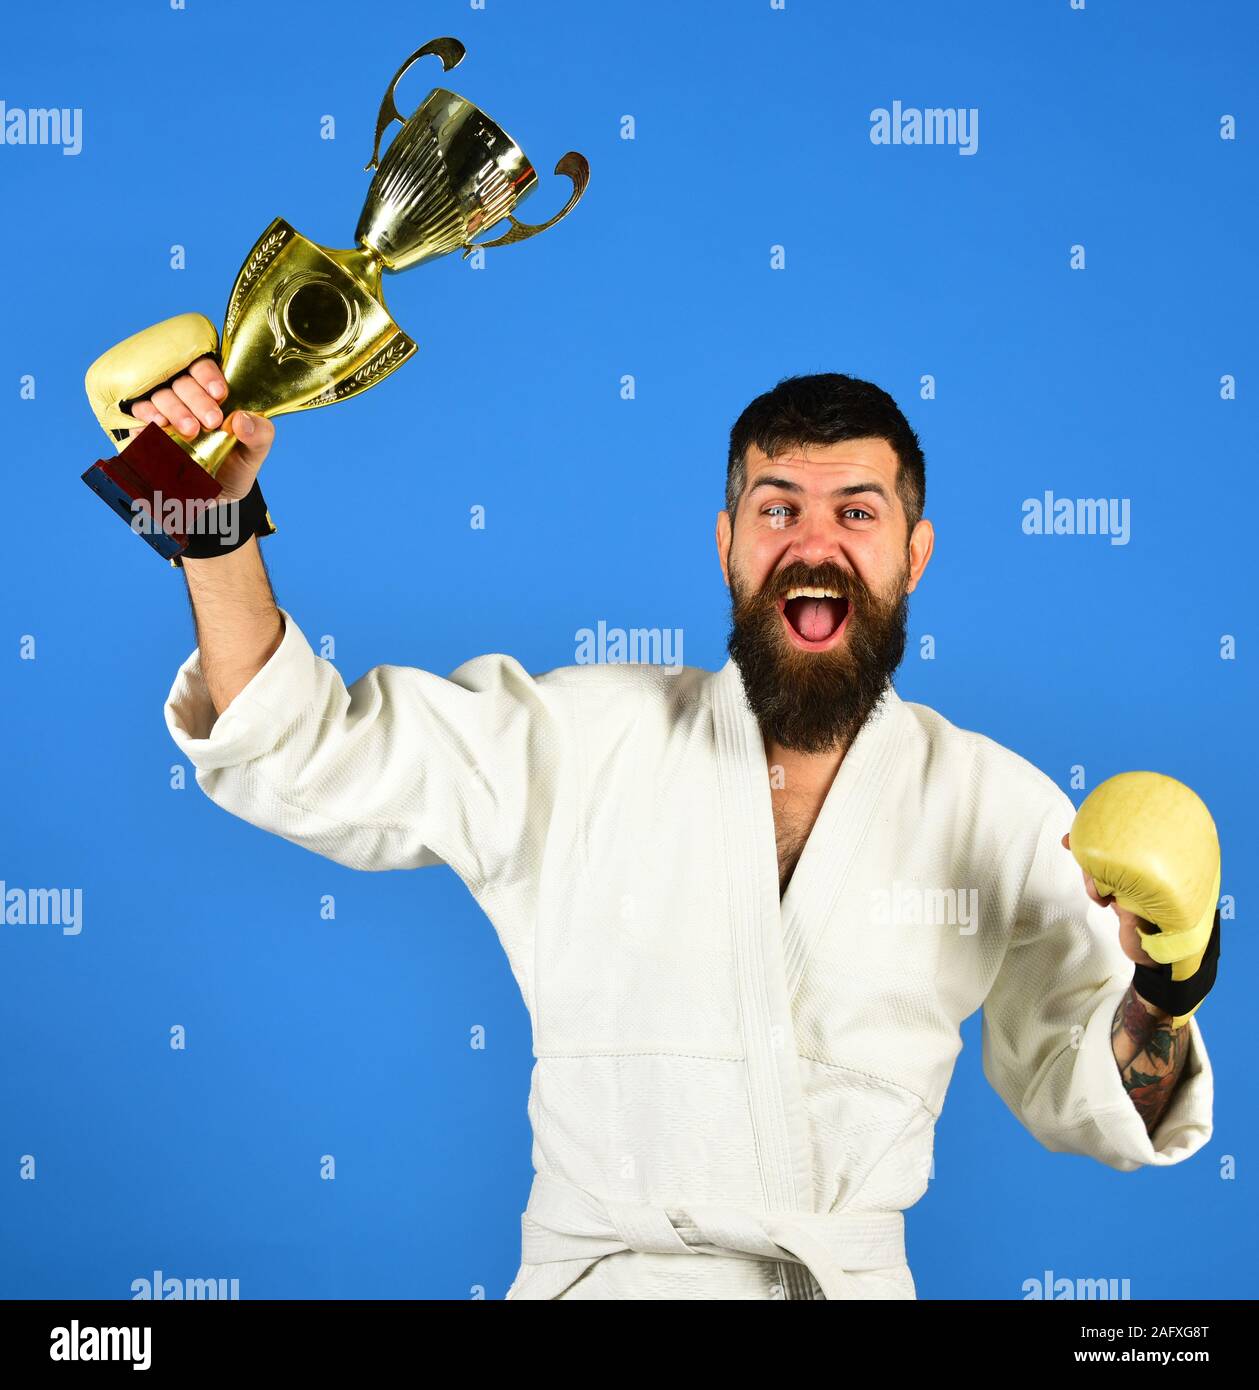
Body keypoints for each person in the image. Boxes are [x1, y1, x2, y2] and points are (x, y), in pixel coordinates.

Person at [97, 336, 1219, 1300]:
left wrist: (1167, 980)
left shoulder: (1000, 809)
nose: (811, 543)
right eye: (776, 509)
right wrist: (213, 527)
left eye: (856, 513)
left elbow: (1087, 1096)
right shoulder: (575, 738)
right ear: (726, 542)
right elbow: (306, 749)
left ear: (911, 556)